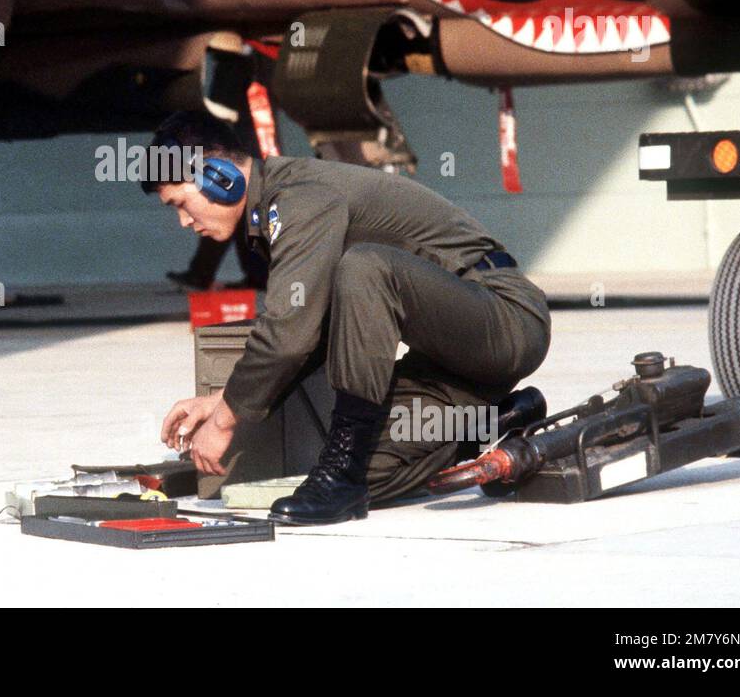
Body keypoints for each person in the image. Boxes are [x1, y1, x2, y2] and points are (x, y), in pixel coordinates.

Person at [147, 111, 551, 525]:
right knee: (364, 475)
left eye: (180, 203)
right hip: (450, 358)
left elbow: (288, 333)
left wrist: (224, 420)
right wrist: (219, 399)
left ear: (220, 177)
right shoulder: (276, 210)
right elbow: (311, 331)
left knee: (366, 267)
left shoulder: (299, 196)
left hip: (505, 318)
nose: (183, 221)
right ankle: (489, 421)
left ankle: (341, 472)